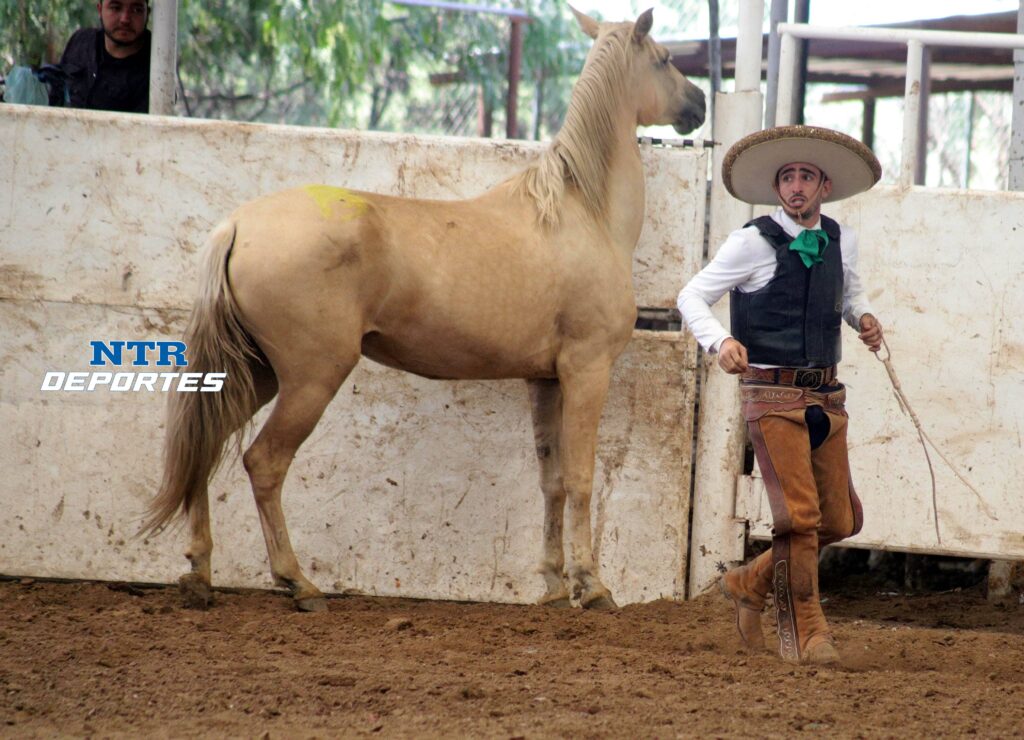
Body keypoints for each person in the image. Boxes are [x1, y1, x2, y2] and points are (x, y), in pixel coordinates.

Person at [678, 125, 884, 665]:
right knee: (799, 519)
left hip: (826, 396)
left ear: (824, 186)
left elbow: (848, 290)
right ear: (776, 188)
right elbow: (692, 295)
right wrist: (720, 340)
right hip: (771, 395)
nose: (796, 187)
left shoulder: (841, 238)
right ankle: (809, 631)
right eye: (787, 177)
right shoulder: (751, 240)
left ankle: (749, 582)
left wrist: (861, 317)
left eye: (806, 177)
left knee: (839, 521)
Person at [58, 0, 151, 113]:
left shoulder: (157, 66)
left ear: (147, 14)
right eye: (116, 8)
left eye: (137, 10)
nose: (125, 19)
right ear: (100, 10)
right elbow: (55, 95)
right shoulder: (81, 41)